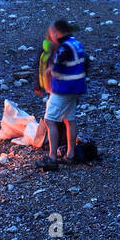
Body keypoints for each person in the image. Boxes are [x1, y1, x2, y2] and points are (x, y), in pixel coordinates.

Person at [40, 19, 88, 170]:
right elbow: (86, 63)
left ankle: (52, 157)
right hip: (76, 87)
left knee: (50, 120)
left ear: (56, 32)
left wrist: (49, 71)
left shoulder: (64, 47)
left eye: (52, 32)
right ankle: (70, 154)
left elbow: (58, 67)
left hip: (63, 89)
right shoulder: (76, 43)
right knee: (69, 119)